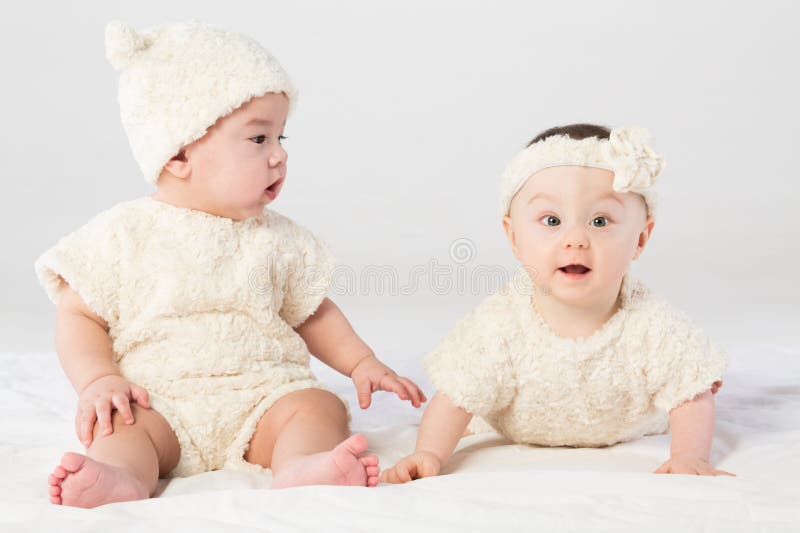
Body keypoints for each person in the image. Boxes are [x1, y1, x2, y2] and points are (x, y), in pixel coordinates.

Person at [36, 20, 426, 508]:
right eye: (259, 139)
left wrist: (361, 362)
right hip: (159, 400)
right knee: (119, 426)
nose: (280, 156)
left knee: (317, 406)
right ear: (179, 152)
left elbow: (312, 310)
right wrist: (99, 380)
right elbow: (79, 312)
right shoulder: (123, 233)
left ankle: (300, 464)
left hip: (264, 397)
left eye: (282, 138)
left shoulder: (279, 239)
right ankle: (120, 476)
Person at [381, 124, 732, 484]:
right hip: (518, 425)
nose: (576, 240)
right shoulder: (501, 324)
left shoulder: (652, 323)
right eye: (551, 220)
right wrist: (429, 453)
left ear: (640, 238)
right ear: (514, 237)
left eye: (600, 221)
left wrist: (689, 455)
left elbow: (691, 394)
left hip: (628, 425)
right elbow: (455, 396)